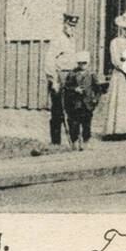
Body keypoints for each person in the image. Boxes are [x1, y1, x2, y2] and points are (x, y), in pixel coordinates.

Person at [42, 11, 80, 146]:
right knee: (57, 111)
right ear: (64, 24)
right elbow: (49, 61)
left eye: (74, 26)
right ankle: (56, 142)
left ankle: (74, 141)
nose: (71, 28)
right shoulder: (58, 40)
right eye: (69, 25)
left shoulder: (72, 40)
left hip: (70, 77)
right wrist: (53, 81)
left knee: (73, 110)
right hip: (59, 77)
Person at [62, 51, 99, 151]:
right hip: (75, 104)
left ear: (88, 63)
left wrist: (95, 99)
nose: (82, 65)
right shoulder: (72, 73)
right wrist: (75, 89)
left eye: (84, 63)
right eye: (80, 63)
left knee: (86, 124)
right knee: (74, 124)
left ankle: (85, 141)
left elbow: (98, 89)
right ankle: (75, 141)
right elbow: (66, 87)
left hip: (87, 104)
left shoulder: (92, 74)